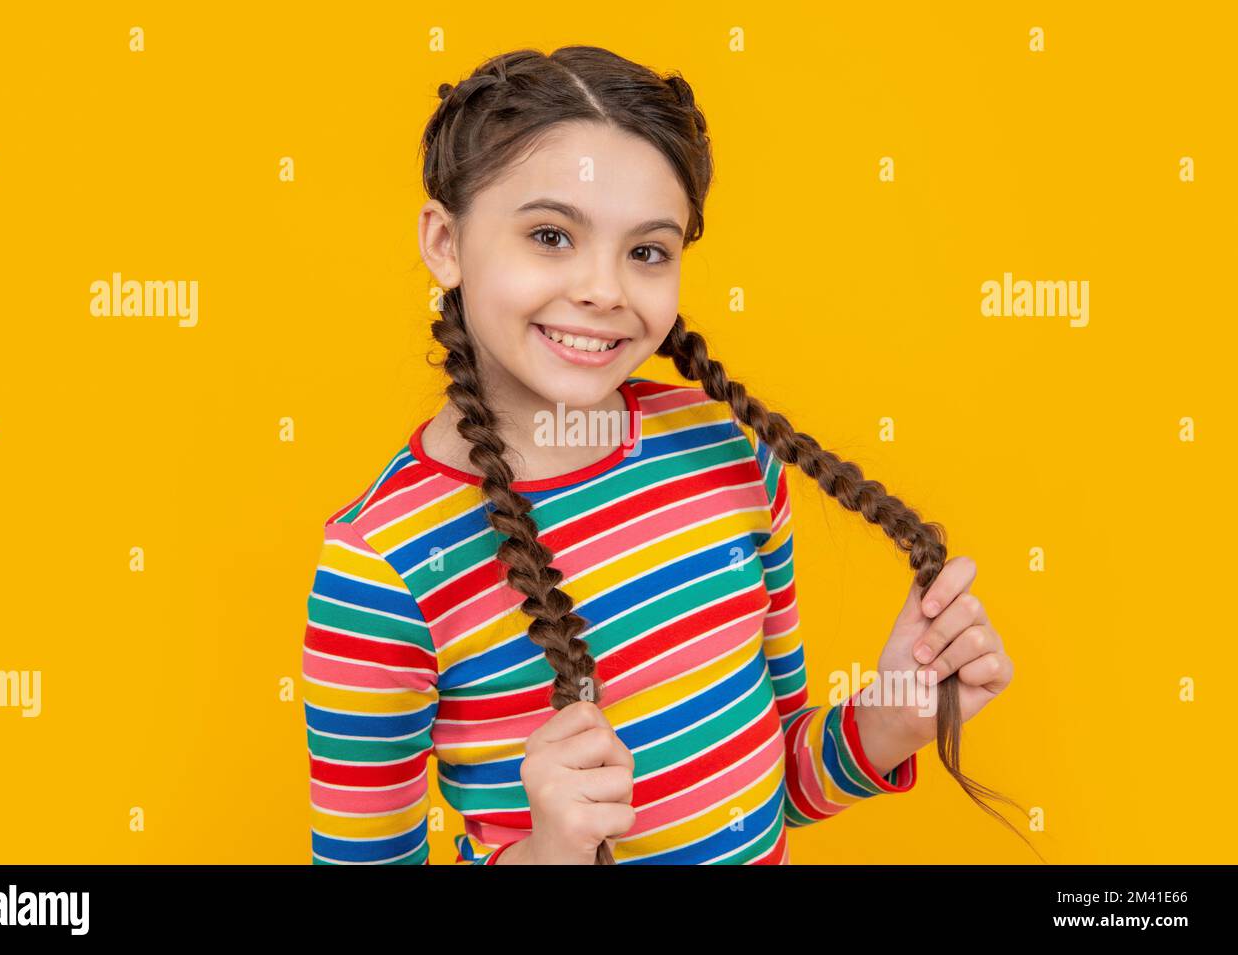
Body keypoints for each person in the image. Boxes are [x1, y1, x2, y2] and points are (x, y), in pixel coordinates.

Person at [301, 46, 1015, 865]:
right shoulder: (380, 567)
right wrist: (548, 851)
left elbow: (767, 790)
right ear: (444, 242)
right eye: (550, 234)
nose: (604, 288)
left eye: (646, 251)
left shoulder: (730, 454)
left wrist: (896, 717)